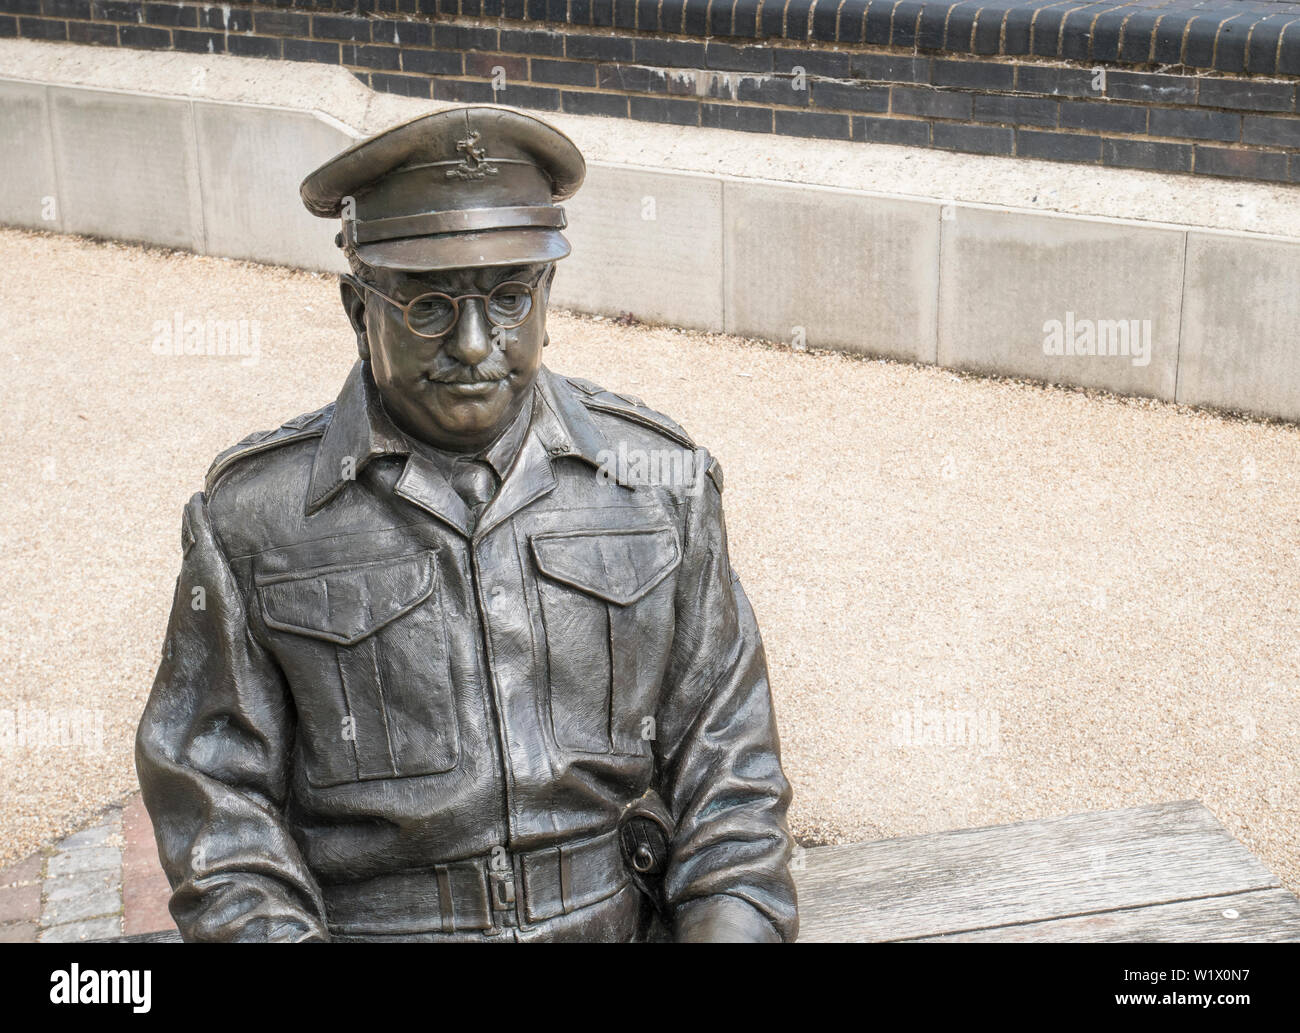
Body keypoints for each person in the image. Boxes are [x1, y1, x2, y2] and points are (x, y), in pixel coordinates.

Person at [136, 105, 797, 943]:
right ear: (356, 307)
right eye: (429, 307)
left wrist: (730, 927)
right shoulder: (253, 522)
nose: (478, 343)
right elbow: (218, 817)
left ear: (548, 295)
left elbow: (730, 774)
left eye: (510, 296)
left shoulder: (659, 485)